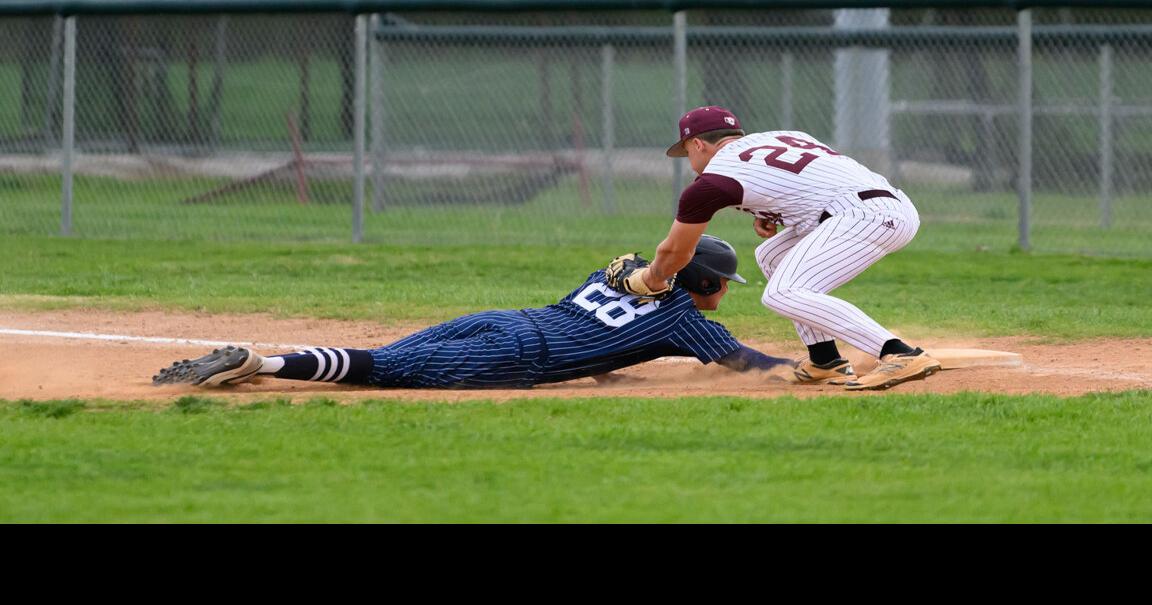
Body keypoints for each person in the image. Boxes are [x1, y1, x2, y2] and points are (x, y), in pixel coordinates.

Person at [153, 235, 791, 389]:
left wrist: (608, 367)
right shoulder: (686, 321)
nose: (727, 290)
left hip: (504, 319)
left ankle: (265, 358)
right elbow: (747, 363)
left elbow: (610, 332)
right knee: (385, 372)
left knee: (391, 356)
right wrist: (805, 368)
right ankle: (259, 363)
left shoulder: (616, 276)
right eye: (725, 282)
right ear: (706, 280)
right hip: (520, 354)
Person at [607, 106, 940, 391]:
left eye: (688, 152)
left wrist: (651, 279)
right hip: (878, 204)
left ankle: (899, 353)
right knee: (771, 256)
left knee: (782, 292)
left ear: (697, 144)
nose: (690, 161)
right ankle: (826, 361)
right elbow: (813, 179)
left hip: (866, 215)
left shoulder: (711, 181)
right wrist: (770, 214)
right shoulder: (781, 137)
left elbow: (676, 253)